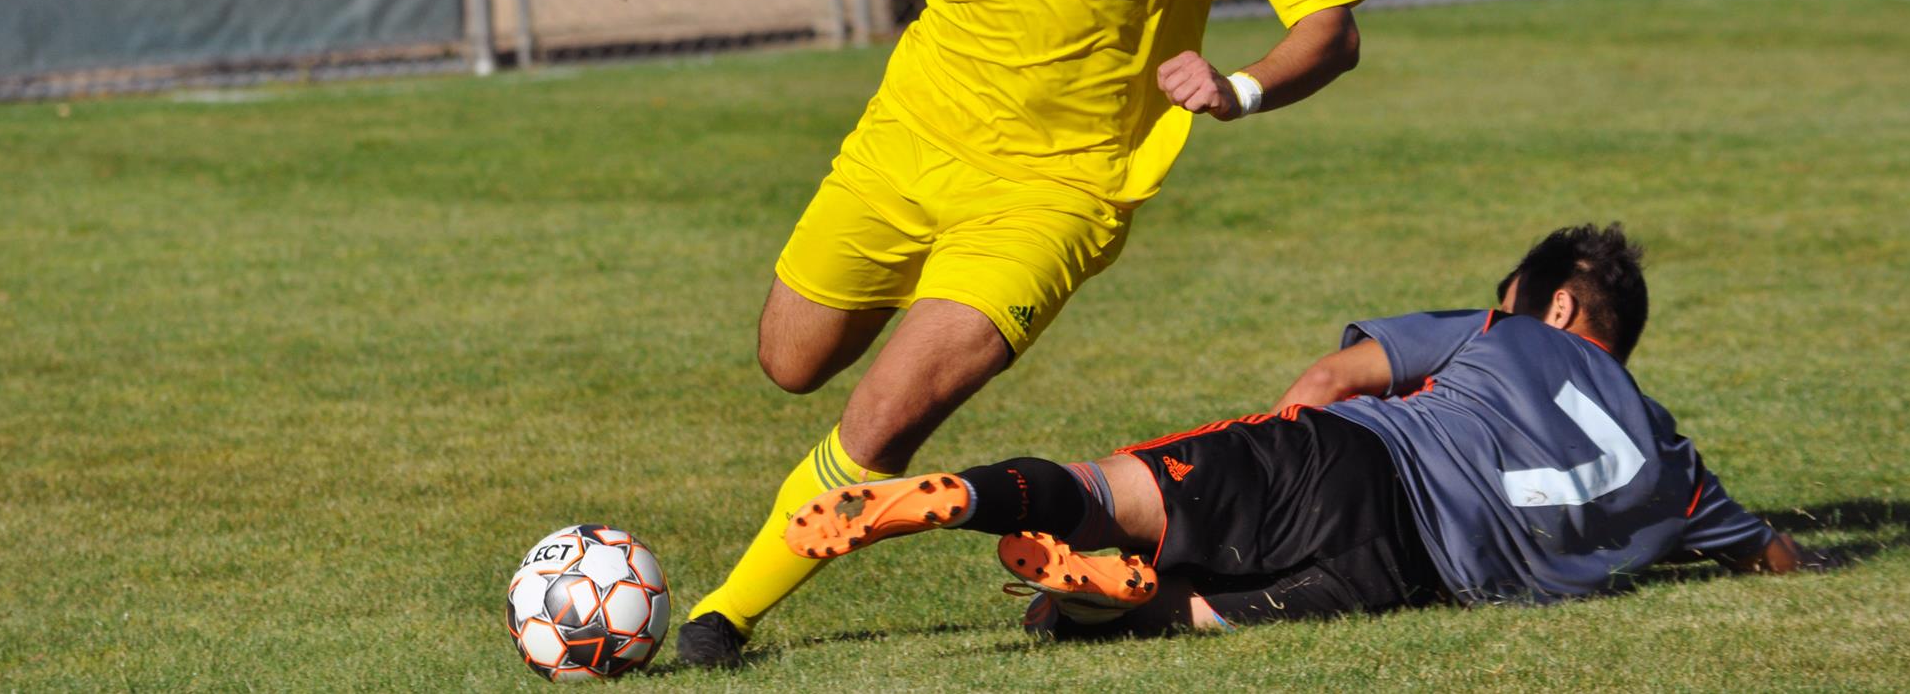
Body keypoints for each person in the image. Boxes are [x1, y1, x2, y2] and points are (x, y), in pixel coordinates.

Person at [666, 0, 1370, 666]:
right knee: (790, 360)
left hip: (1057, 187)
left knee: (885, 420)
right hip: (913, 128)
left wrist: (1242, 87)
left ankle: (727, 614)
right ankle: (914, 306)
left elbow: (1328, 26)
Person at [783, 225, 1827, 637]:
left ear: (1554, 307)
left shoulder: (1508, 335)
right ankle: (1135, 602)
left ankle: (956, 499)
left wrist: (1264, 458)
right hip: (1406, 578)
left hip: (1354, 467)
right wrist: (1799, 559)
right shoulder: (1676, 471)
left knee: (1109, 490)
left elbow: (1334, 377)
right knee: (1162, 620)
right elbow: (1767, 554)